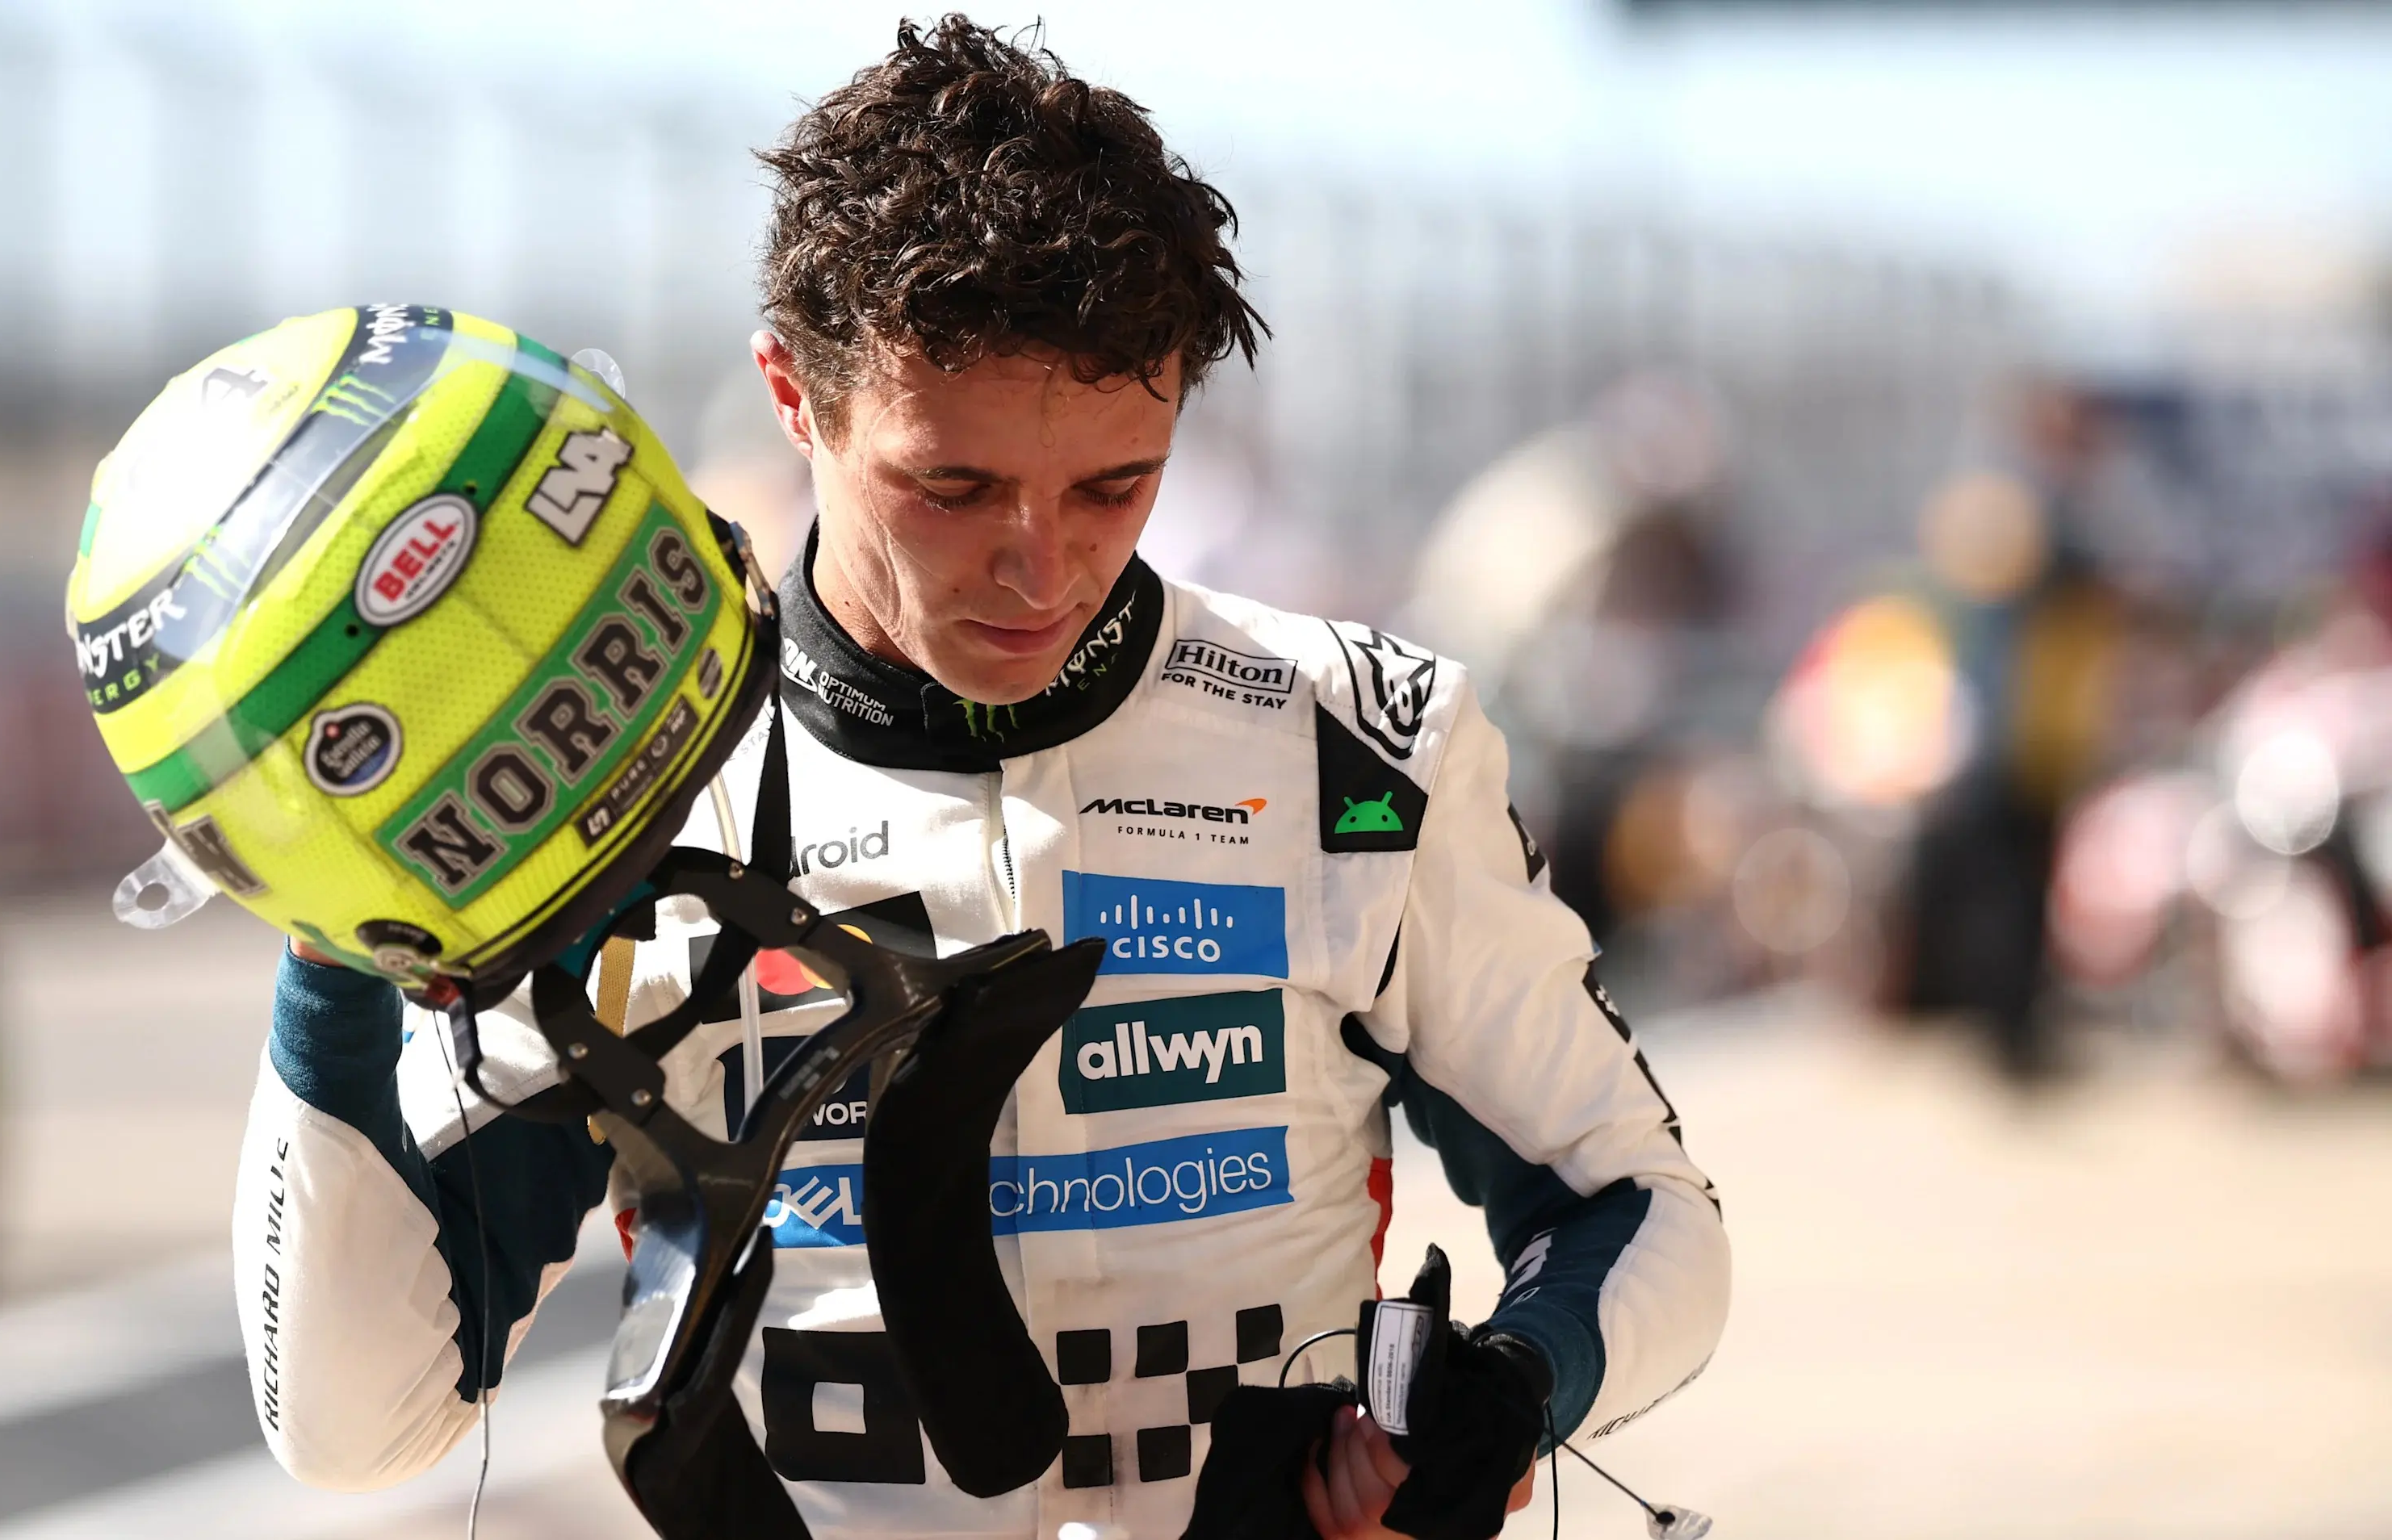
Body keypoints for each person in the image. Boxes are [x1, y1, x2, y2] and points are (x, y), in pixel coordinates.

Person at [243, 18, 1728, 1539]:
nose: (1041, 566)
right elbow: (358, 1427)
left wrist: (1515, 1385)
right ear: (793, 395)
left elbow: (1642, 1207)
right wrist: (330, 936)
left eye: (1115, 484)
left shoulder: (1359, 740)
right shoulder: (619, 796)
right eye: (952, 486)